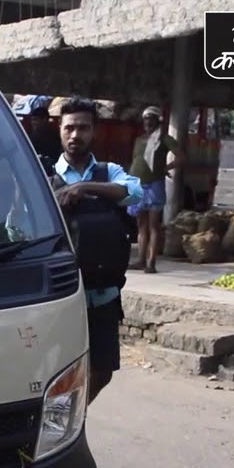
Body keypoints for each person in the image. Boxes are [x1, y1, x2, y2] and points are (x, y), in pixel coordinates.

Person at [50, 97, 142, 405]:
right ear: (60, 130)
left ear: (94, 131)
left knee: (102, 370)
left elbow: (134, 193)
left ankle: (70, 416)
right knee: (56, 371)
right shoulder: (44, 175)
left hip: (104, 296)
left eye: (83, 128)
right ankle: (58, 422)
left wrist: (84, 188)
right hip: (61, 297)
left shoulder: (110, 172)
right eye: (70, 128)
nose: (76, 135)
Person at [128, 106, 184, 273]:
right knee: (141, 225)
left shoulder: (164, 139)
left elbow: (181, 157)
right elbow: (135, 160)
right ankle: (140, 260)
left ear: (158, 121)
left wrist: (166, 167)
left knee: (153, 225)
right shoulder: (139, 140)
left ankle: (151, 262)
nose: (148, 122)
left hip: (154, 185)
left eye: (151, 119)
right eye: (146, 119)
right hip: (137, 185)